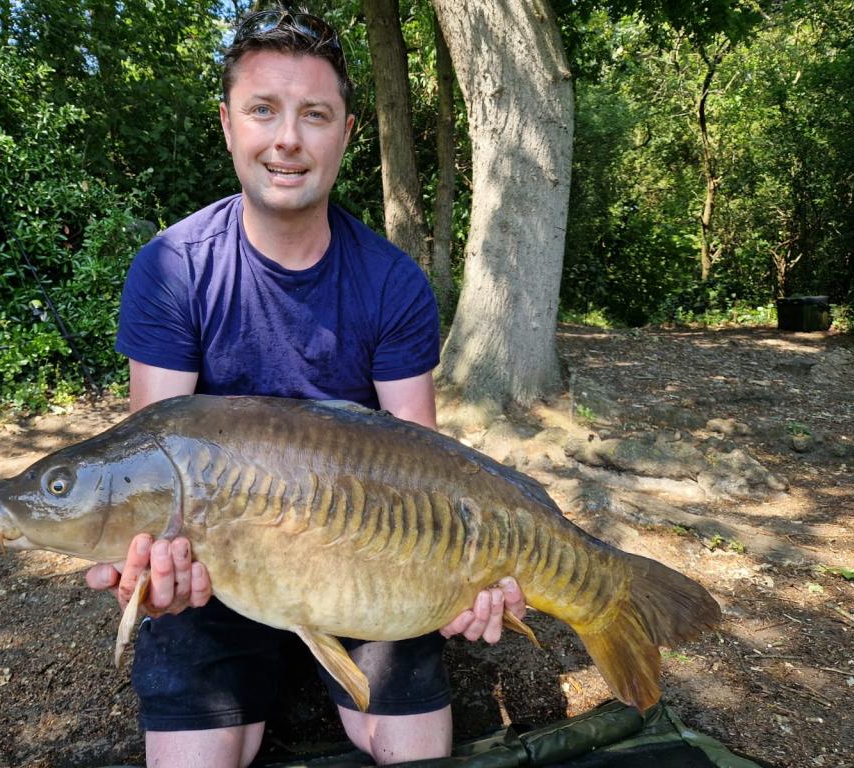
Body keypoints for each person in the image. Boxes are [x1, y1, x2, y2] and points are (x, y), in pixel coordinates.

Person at [84, 8, 527, 767]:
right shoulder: (171, 268)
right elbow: (153, 461)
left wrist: (471, 571)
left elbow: (420, 460)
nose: (287, 138)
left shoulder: (392, 282)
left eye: (313, 115)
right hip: (218, 565)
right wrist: (151, 566)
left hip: (364, 554)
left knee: (417, 756)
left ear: (346, 133)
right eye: (264, 110)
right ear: (228, 126)